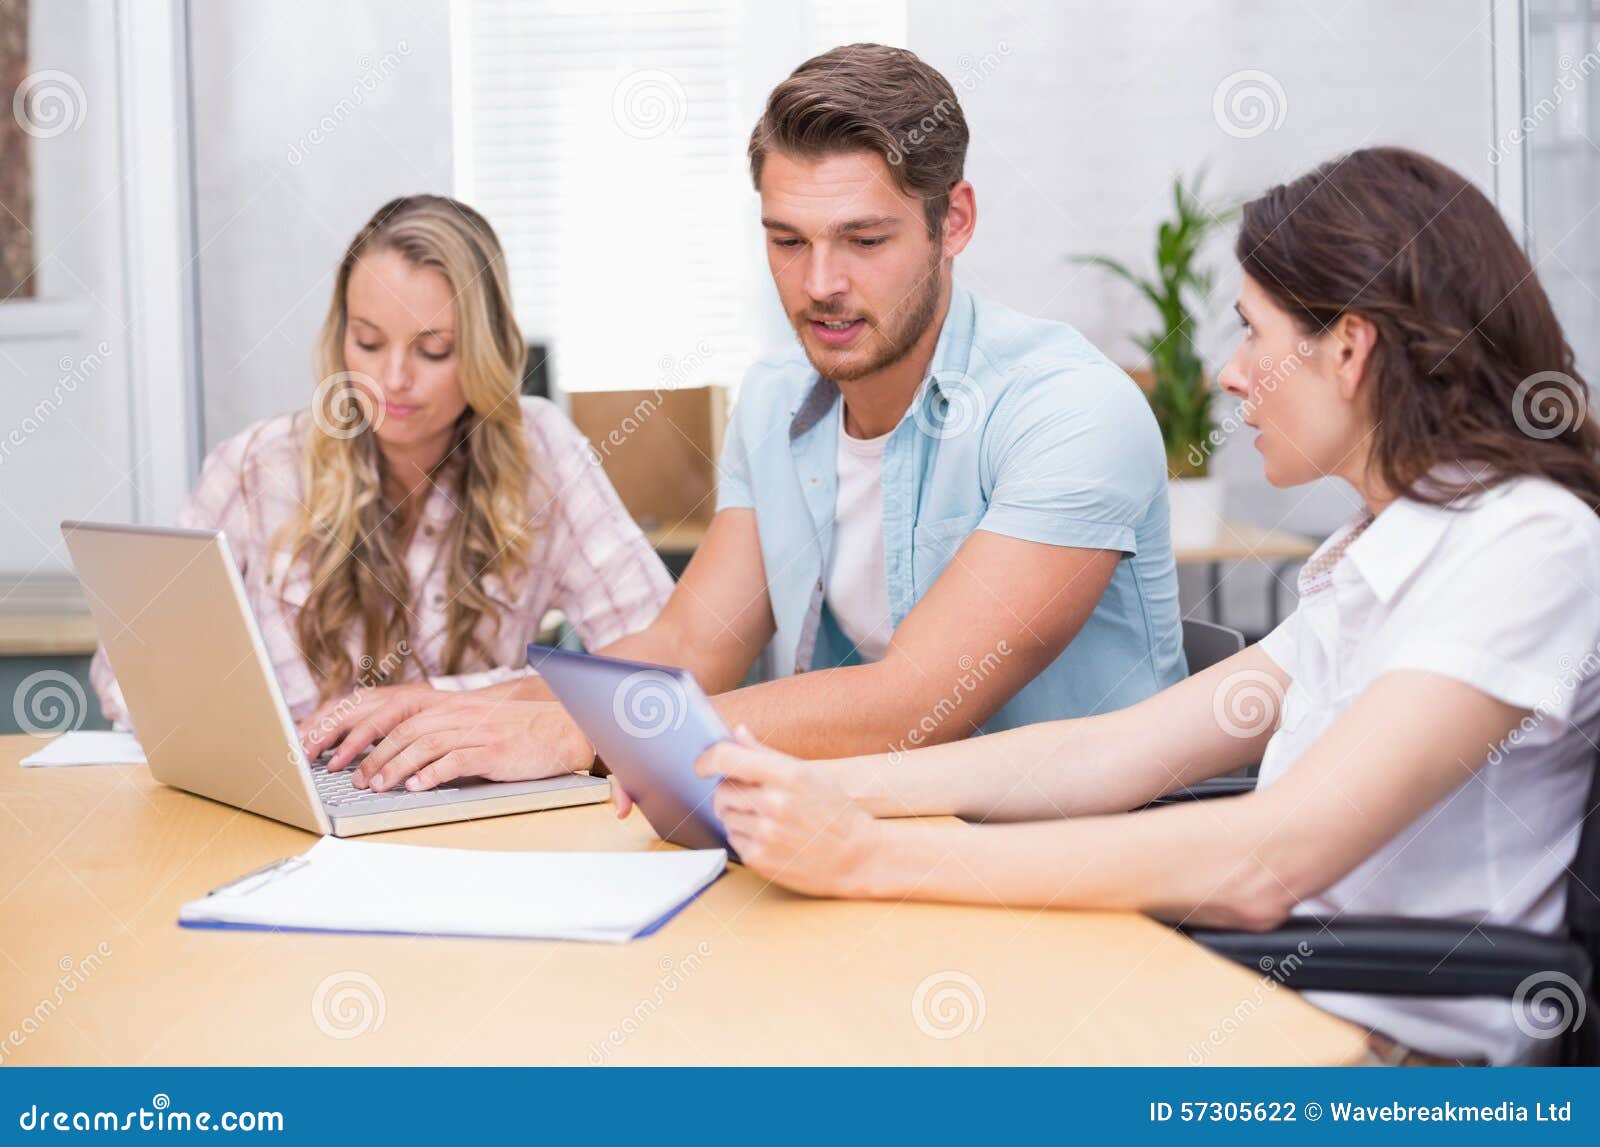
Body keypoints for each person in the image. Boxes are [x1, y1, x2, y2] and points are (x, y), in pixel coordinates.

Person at [695, 146, 1600, 1066]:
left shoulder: (1528, 546)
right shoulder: (1384, 552)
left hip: (1394, 1059)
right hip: (1264, 1004)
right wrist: (803, 789)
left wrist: (866, 856)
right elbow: (1112, 750)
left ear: (1351, 348)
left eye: (1253, 334)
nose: (1229, 375)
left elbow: (1268, 861)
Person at [303, 44, 1185, 793]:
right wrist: (467, 712)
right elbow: (693, 642)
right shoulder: (776, 399)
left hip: (1082, 880)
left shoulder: (1072, 411)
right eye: (788, 240)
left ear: (952, 221)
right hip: (868, 847)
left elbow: (914, 700)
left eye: (864, 241)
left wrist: (589, 735)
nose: (820, 283)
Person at [91, 195, 671, 736]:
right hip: (288, 811)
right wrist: (242, 727)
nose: (393, 379)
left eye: (433, 349)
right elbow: (126, 669)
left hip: (461, 817)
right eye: (368, 342)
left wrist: (446, 705)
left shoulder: (541, 450)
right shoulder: (257, 467)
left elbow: (660, 657)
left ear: (485, 348)